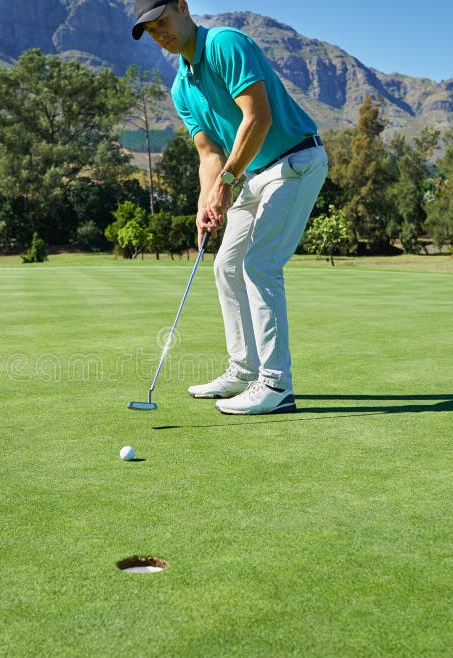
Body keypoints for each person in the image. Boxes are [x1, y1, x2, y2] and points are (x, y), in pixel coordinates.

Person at [132, 0, 328, 415]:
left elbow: (258, 118)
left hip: (294, 161)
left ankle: (276, 385)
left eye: (161, 21)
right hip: (253, 174)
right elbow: (209, 156)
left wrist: (226, 184)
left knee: (259, 263)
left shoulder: (225, 43)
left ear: (183, 7)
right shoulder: (181, 87)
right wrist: (205, 204)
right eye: (150, 30)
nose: (159, 33)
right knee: (225, 265)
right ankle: (243, 370)